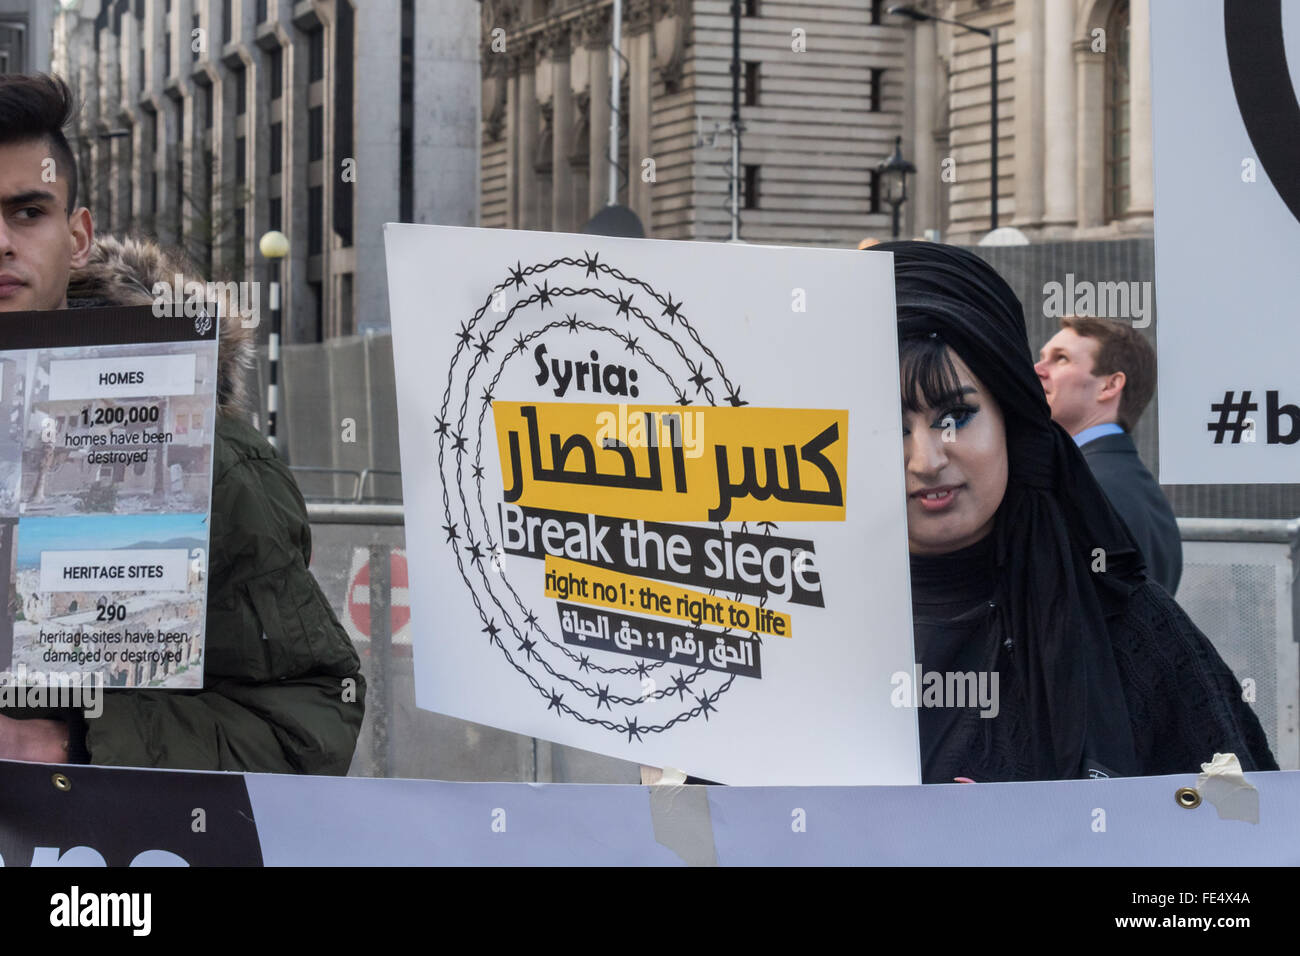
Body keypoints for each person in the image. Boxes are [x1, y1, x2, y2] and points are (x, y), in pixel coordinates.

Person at [0, 72, 365, 773]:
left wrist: (67, 745)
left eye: (27, 212)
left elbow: (306, 725)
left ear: (78, 238)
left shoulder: (205, 458)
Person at [873, 239, 1276, 783]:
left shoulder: (1130, 625)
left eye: (956, 416)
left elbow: (1241, 820)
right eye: (891, 426)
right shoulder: (788, 629)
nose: (926, 460)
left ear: (1011, 421)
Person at [1035, 317, 1182, 595]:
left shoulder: (1082, 489)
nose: (1038, 369)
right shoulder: (1144, 495)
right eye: (1043, 357)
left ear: (1110, 385)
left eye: (1061, 359)